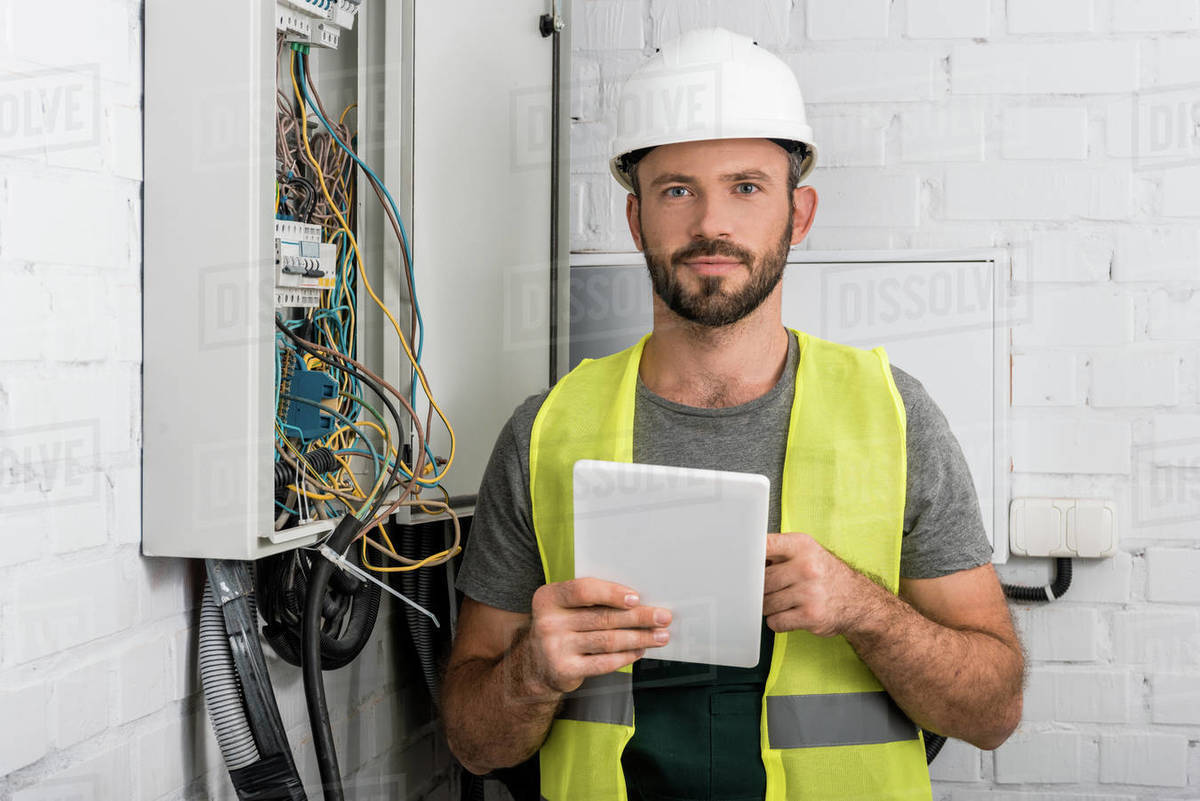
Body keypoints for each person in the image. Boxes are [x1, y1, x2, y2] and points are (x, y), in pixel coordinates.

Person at [441, 27, 1022, 801]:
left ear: (799, 213)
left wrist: (863, 609)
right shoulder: (545, 431)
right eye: (677, 189)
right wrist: (531, 670)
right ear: (635, 219)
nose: (711, 223)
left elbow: (994, 711)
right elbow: (474, 743)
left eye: (746, 186)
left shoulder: (892, 415)